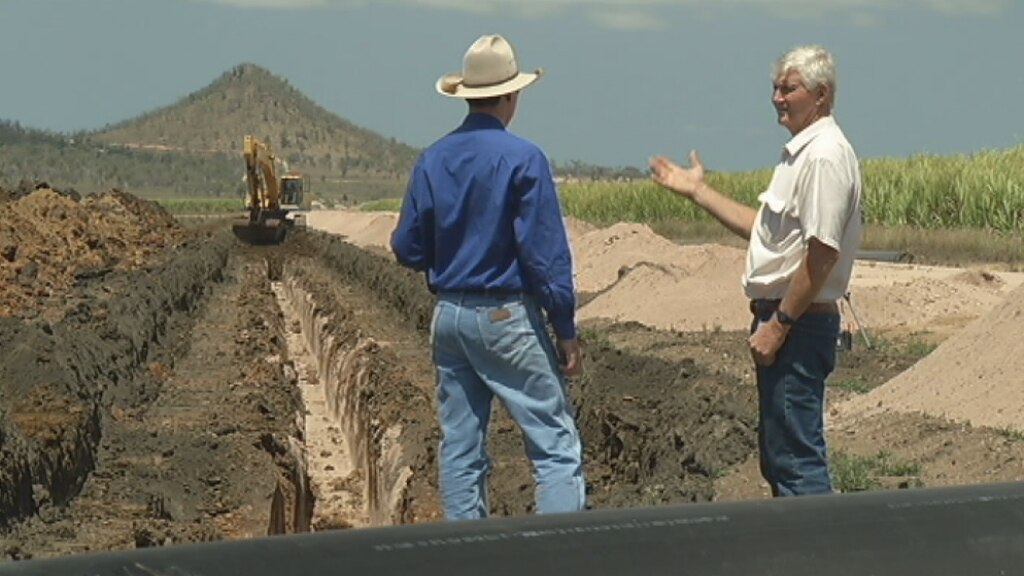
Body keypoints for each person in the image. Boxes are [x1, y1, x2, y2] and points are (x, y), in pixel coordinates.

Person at [649, 45, 863, 497]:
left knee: (796, 463)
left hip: (799, 325)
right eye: (775, 88)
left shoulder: (824, 157)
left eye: (789, 88)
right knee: (781, 456)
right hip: (790, 321)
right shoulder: (800, 155)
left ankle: (819, 555)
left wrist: (780, 324)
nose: (777, 98)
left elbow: (821, 254)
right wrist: (697, 192)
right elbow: (766, 233)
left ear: (821, 94)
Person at [390, 34, 586, 519]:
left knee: (461, 446)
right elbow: (544, 257)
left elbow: (406, 246)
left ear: (467, 95)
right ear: (512, 95)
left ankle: (464, 557)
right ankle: (560, 555)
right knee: (554, 443)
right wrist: (565, 330)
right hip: (504, 314)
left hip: (449, 315)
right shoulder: (524, 159)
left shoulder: (433, 158)